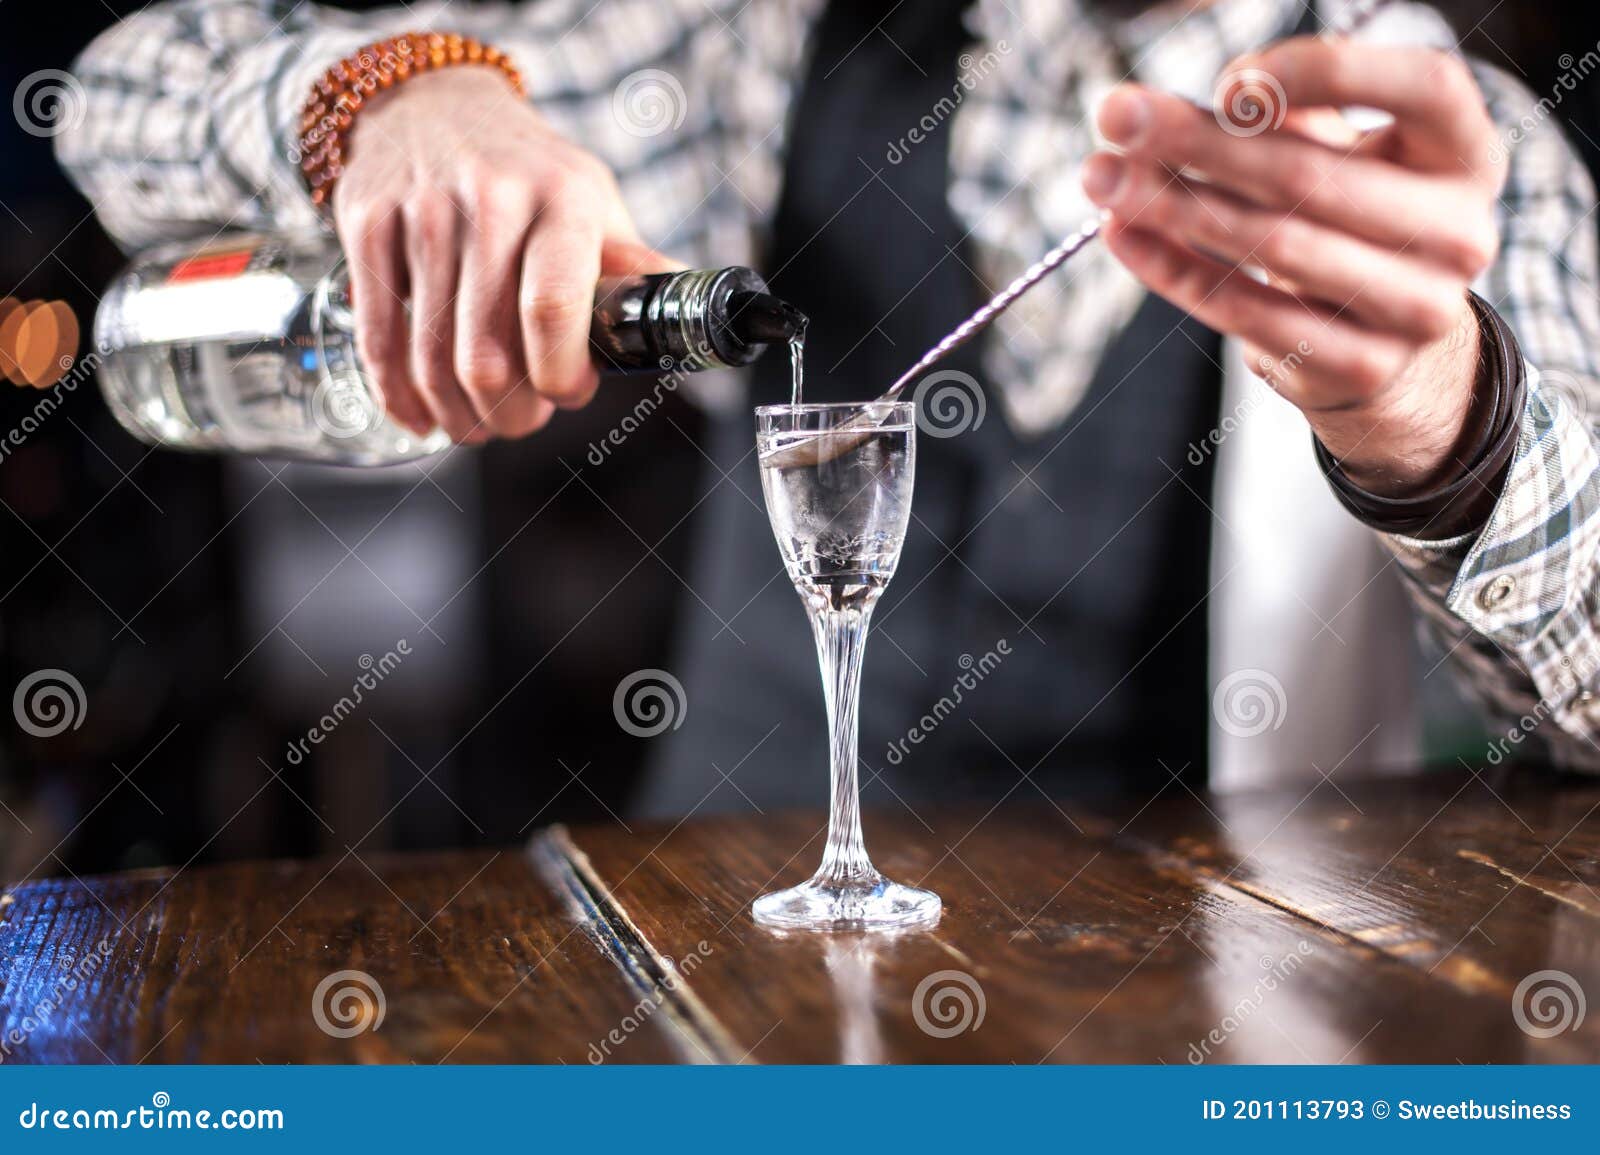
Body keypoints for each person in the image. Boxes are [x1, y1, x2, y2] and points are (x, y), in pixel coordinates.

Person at [57, 0, 1600, 817]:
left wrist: (1443, 423)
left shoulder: (1463, 161)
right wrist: (400, 92)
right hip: (718, 986)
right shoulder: (769, 33)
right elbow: (121, 87)